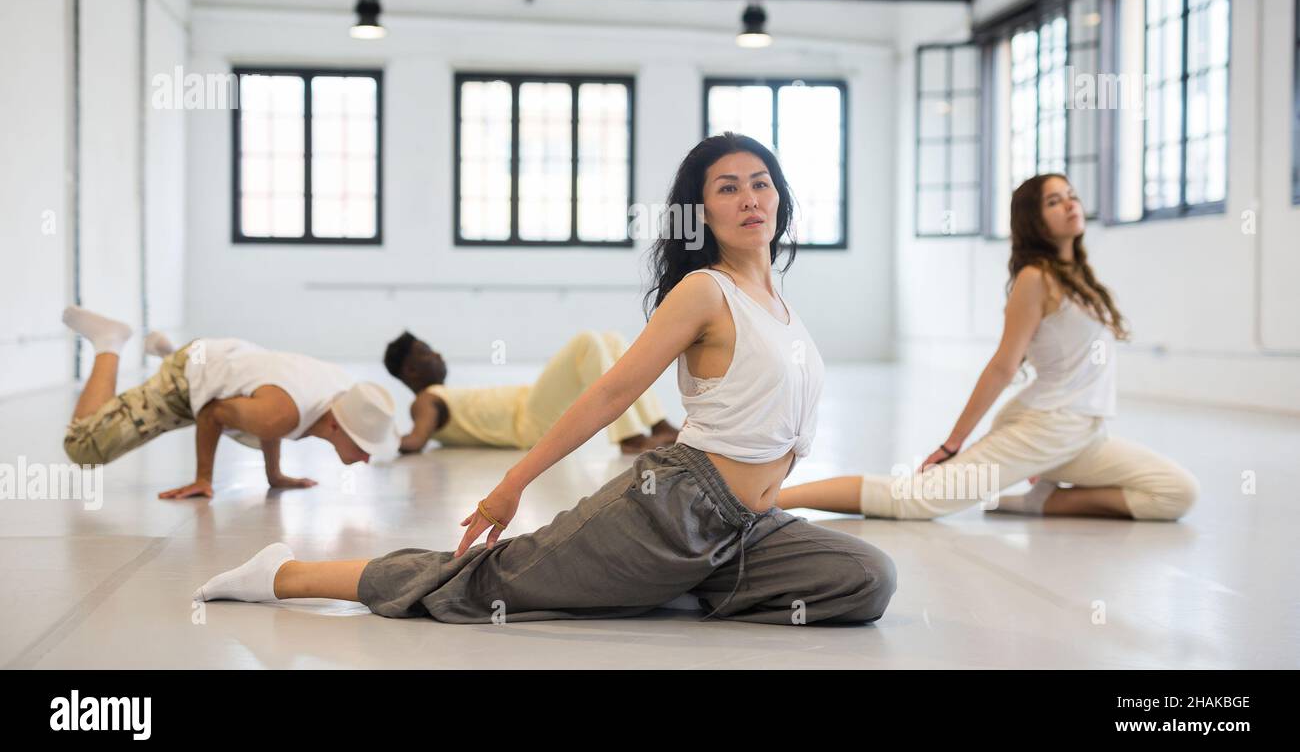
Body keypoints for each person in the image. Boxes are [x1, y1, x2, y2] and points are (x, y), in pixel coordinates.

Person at [194, 133, 896, 625]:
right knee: (487, 585)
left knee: (865, 579)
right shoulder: (705, 292)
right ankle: (282, 575)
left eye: (761, 182)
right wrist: (513, 482)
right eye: (728, 187)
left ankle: (652, 588)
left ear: (781, 197)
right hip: (675, 508)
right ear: (702, 211)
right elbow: (611, 393)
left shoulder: (783, 304)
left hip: (749, 529)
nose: (750, 197)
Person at [778, 173, 1199, 522]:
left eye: (1071, 195)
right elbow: (1003, 366)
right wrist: (952, 444)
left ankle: (1040, 502)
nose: (1071, 204)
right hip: (1045, 427)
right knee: (913, 499)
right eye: (1055, 201)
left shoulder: (1080, 279)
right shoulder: (1036, 278)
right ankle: (772, 502)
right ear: (1034, 218)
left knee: (1175, 493)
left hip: (1085, 433)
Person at [60, 310, 398, 499]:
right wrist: (203, 478)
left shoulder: (340, 393)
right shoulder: (278, 414)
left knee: (250, 415)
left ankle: (171, 349)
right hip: (187, 379)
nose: (367, 458)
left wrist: (274, 475)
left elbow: (278, 414)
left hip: (236, 360)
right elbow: (213, 413)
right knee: (83, 448)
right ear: (337, 425)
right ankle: (110, 341)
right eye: (363, 446)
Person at [384, 330, 678, 456]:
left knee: (611, 340)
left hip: (532, 408)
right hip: (528, 423)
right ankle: (629, 437)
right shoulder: (425, 401)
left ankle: (657, 423)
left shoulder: (437, 395)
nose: (437, 354)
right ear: (410, 371)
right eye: (426, 353)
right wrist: (376, 437)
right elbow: (416, 439)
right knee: (587, 343)